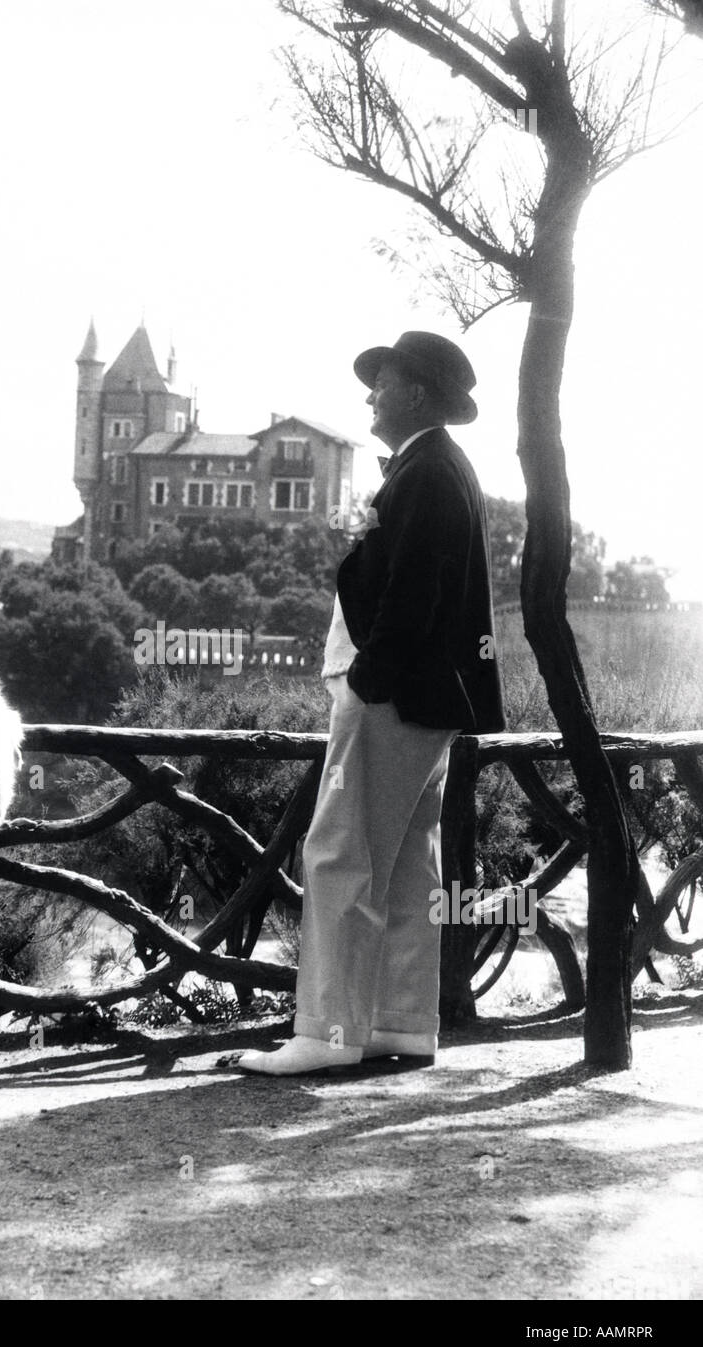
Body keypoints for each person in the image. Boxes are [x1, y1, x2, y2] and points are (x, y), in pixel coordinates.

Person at [240, 331, 504, 1076]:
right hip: (430, 698)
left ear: (415, 393)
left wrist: (367, 678)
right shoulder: (441, 468)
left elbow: (411, 593)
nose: (369, 395)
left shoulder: (425, 472)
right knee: (408, 862)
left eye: (381, 382)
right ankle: (400, 1023)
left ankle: (325, 1032)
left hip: (392, 693)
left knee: (339, 855)